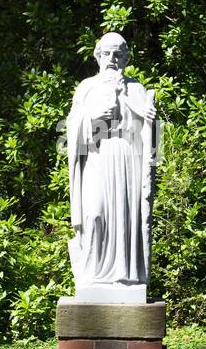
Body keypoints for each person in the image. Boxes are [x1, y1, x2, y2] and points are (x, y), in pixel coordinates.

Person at [66, 32, 157, 291]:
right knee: (95, 213)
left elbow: (150, 141)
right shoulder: (87, 87)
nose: (112, 59)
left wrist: (150, 121)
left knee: (126, 218)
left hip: (128, 159)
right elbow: (71, 128)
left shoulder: (137, 89)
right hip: (97, 157)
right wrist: (93, 119)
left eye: (118, 54)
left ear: (126, 57)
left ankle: (124, 275)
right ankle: (93, 277)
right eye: (106, 53)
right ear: (98, 56)